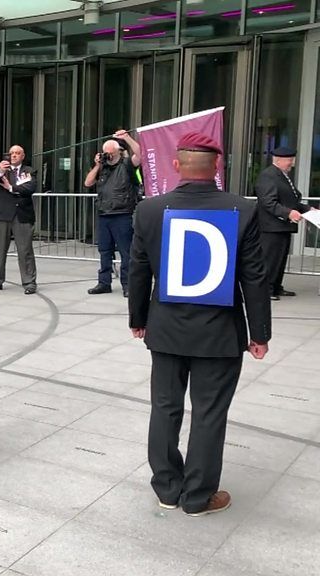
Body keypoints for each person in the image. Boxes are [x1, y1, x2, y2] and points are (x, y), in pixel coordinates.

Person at [129, 132, 271, 517]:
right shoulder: (243, 209)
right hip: (219, 333)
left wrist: (138, 319)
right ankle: (197, 496)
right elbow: (254, 278)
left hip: (168, 330)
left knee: (164, 407)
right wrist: (260, 334)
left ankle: (166, 487)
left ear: (177, 165)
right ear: (218, 167)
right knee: (209, 414)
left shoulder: (150, 210)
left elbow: (138, 270)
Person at [85, 130, 143, 297]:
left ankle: (128, 285)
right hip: (104, 214)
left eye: (111, 152)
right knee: (104, 250)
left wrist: (126, 138)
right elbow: (88, 183)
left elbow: (140, 154)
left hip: (122, 214)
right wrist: (97, 165)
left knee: (126, 252)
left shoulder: (126, 164)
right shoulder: (102, 168)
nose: (108, 156)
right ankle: (104, 283)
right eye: (105, 153)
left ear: (118, 151)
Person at [253, 146, 314, 301]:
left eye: (292, 160)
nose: (291, 164)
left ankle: (276, 286)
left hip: (282, 226)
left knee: (279, 259)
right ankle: (267, 289)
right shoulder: (268, 176)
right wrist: (288, 213)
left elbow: (291, 201)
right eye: (289, 160)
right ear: (278, 160)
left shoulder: (282, 176)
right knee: (271, 259)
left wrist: (308, 209)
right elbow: (268, 202)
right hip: (271, 227)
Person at [0, 145, 38, 294]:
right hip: (3, 214)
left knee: (25, 250)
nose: (14, 155)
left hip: (22, 215)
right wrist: (0, 171)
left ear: (22, 156)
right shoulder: (0, 170)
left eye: (17, 153)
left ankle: (29, 282)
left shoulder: (29, 171)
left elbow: (30, 188)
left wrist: (11, 188)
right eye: (12, 153)